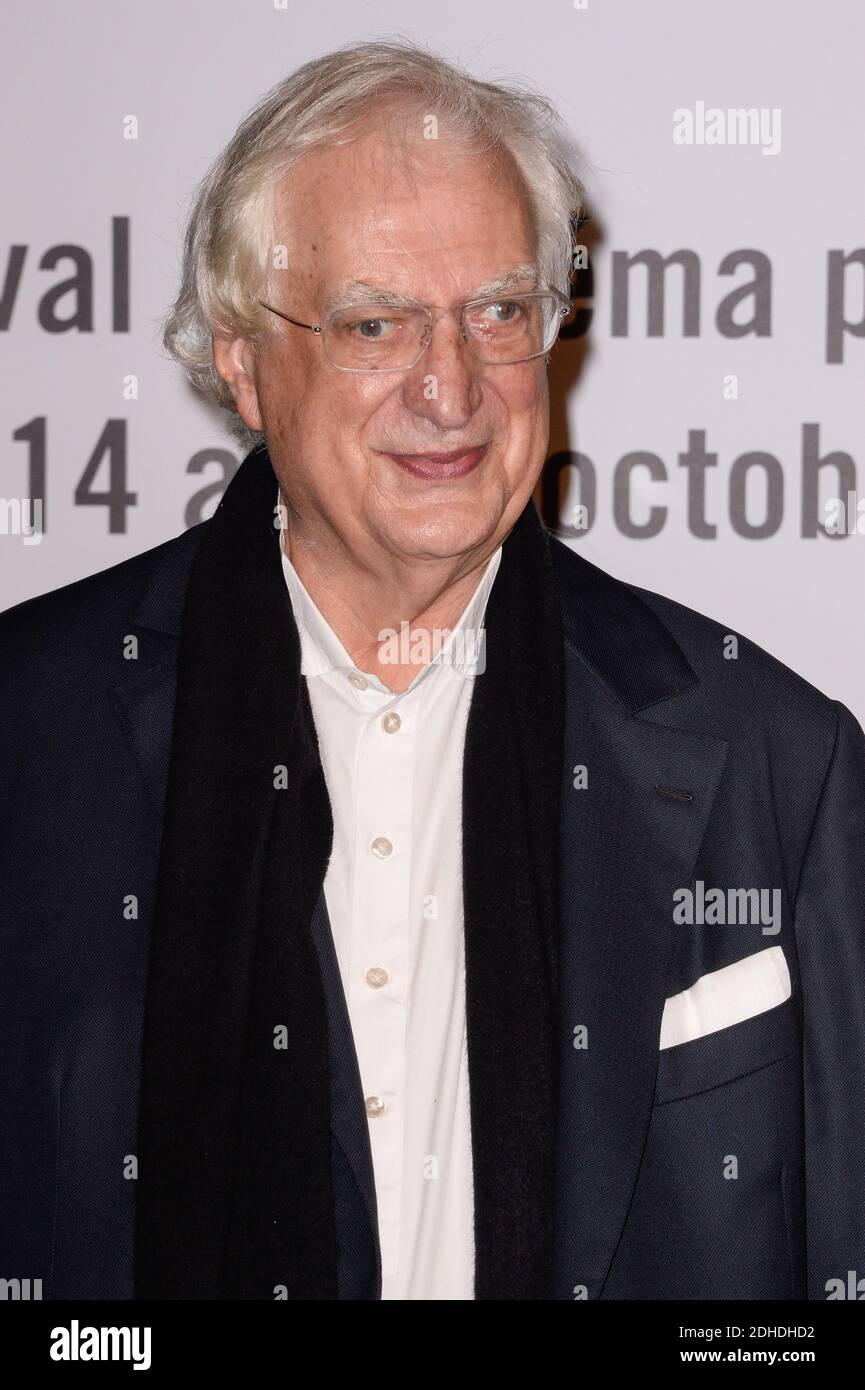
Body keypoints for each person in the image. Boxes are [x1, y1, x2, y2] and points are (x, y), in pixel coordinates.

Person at [1, 39, 863, 1302]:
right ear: (242, 359)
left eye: (499, 312)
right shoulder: (31, 732)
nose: (450, 386)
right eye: (374, 323)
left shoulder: (774, 758)